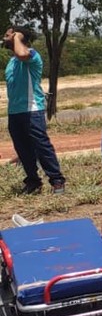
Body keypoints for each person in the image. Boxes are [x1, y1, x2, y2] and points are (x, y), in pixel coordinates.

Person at [4, 26, 66, 195]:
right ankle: (33, 182)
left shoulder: (32, 55)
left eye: (8, 34)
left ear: (18, 36)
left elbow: (22, 54)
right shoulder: (11, 61)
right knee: (23, 149)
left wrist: (16, 37)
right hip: (15, 111)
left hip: (32, 110)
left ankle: (57, 180)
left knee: (41, 146)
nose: (5, 37)